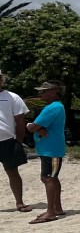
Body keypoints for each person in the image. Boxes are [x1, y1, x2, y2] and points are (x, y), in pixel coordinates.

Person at [25, 80, 67, 224]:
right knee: (53, 178)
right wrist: (37, 128)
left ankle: (50, 212)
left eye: (44, 91)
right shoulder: (56, 106)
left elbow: (32, 127)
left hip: (51, 150)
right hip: (51, 149)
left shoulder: (52, 108)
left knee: (47, 178)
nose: (40, 93)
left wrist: (31, 126)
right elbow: (38, 126)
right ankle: (56, 208)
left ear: (53, 92)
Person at [0, 69, 30, 212]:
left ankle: (19, 202)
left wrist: (18, 141)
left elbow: (20, 121)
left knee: (12, 172)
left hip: (7, 141)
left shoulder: (12, 97)